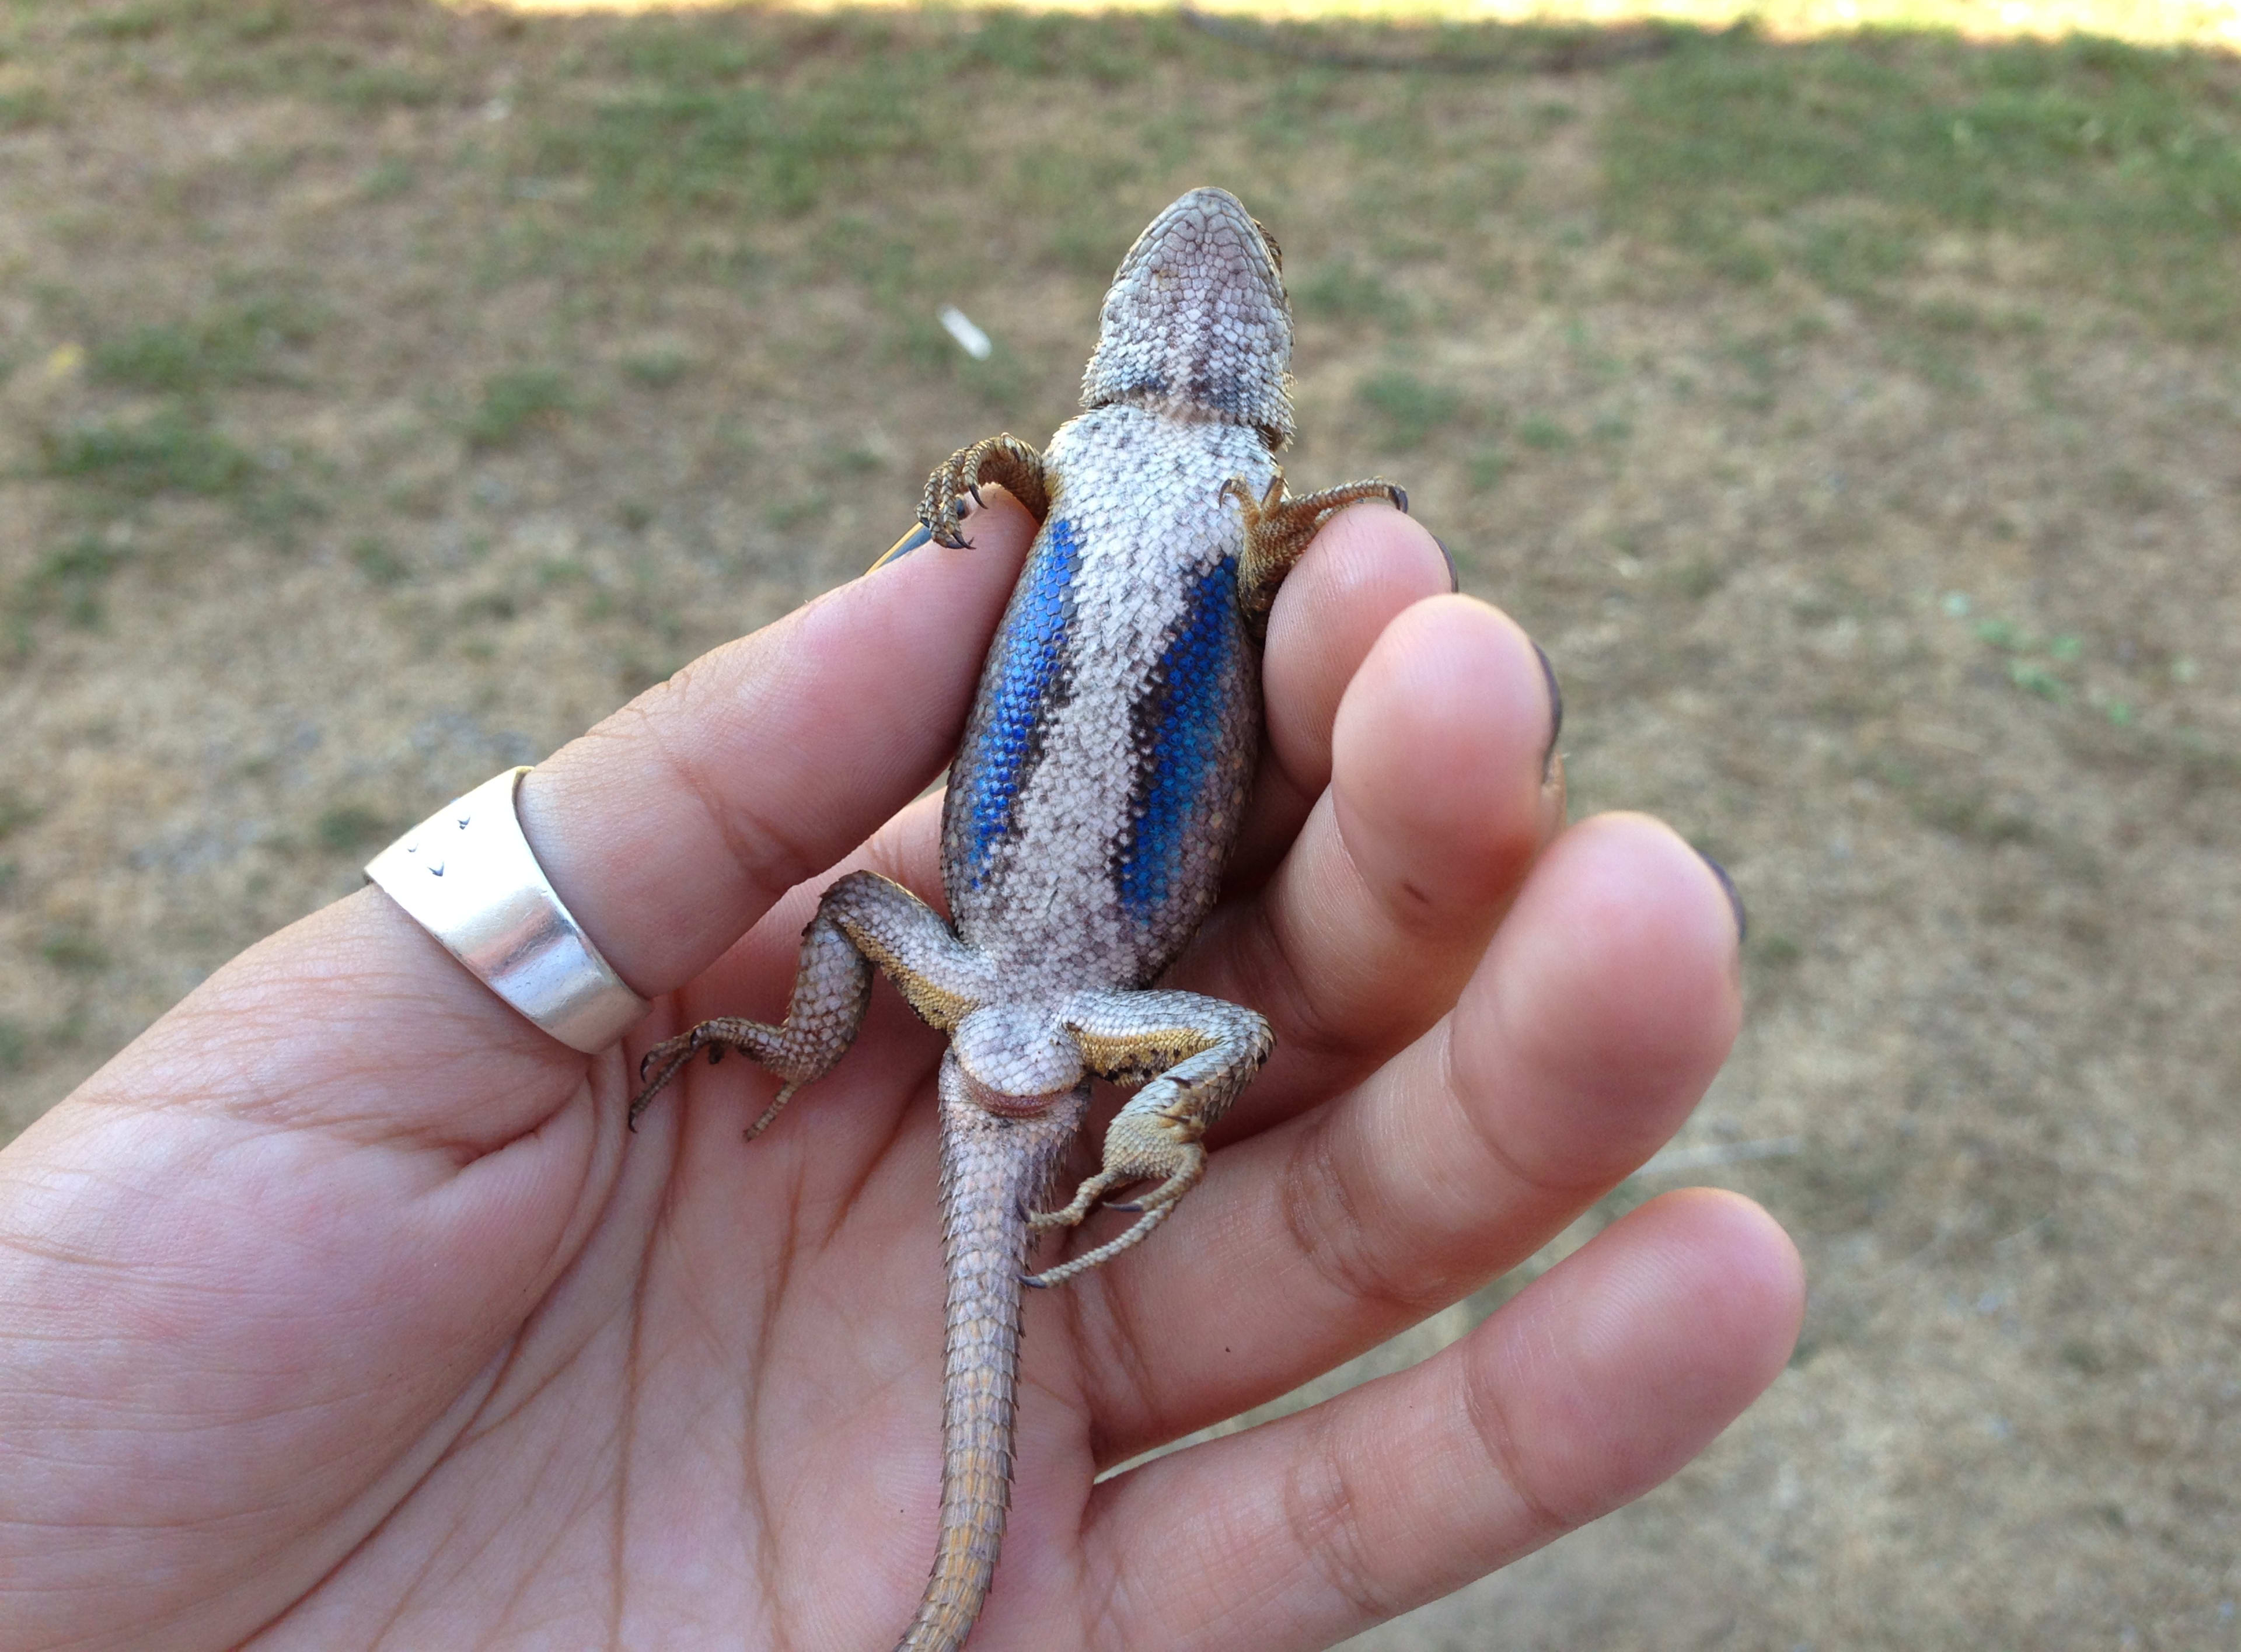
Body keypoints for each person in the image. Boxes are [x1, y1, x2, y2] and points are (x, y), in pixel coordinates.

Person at [0, 495, 1801, 1651]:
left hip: (986, 978)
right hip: (1073, 1005)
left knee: (990, 937)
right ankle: (1046, 1134)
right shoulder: (1227, 499)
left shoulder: (1121, 482)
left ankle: (932, 1114)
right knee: (1226, 1024)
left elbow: (864, 898)